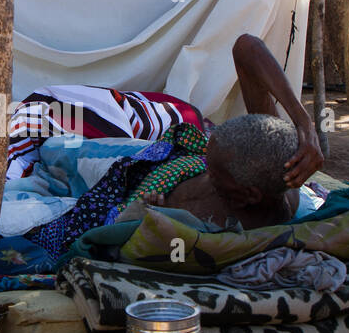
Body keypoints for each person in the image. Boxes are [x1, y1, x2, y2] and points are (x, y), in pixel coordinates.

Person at [118, 34, 324, 229]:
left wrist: (156, 218)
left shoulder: (215, 227)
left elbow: (132, 234)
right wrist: (304, 125)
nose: (207, 173)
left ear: (248, 195)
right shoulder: (283, 174)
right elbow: (247, 46)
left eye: (215, 176)